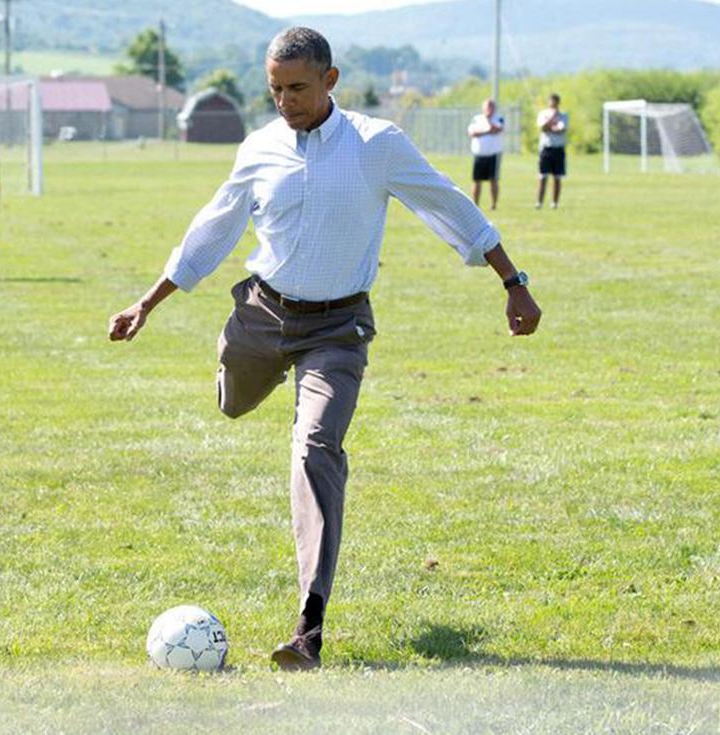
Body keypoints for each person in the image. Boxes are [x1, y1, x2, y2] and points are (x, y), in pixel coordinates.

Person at [108, 27, 542, 671]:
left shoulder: (376, 145)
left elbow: (447, 204)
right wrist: (147, 303)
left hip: (338, 330)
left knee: (315, 449)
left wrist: (513, 281)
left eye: (298, 87)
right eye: (275, 89)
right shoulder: (259, 148)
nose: (285, 100)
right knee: (232, 403)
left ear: (330, 80)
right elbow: (213, 226)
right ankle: (248, 363)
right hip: (261, 316)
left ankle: (308, 626)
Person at [467, 98, 505, 209]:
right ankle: (475, 204)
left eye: (491, 107)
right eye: (487, 107)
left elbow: (497, 129)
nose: (489, 109)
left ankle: (493, 204)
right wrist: (487, 131)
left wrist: (489, 121)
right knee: (476, 180)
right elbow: (472, 133)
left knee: (493, 180)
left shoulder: (499, 118)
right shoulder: (476, 119)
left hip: (493, 154)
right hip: (479, 154)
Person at [536, 93, 568, 210]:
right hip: (546, 148)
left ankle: (554, 203)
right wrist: (552, 120)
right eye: (551, 101)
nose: (553, 104)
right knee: (542, 176)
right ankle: (539, 202)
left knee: (557, 177)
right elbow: (543, 128)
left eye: (555, 101)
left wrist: (551, 127)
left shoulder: (563, 115)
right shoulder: (543, 114)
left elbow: (561, 130)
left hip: (558, 148)